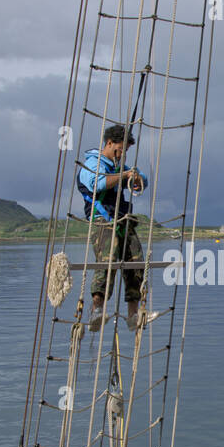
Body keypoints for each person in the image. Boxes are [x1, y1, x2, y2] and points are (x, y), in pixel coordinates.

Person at [77, 124, 156, 332]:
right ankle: (96, 311)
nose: (122, 154)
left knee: (135, 262)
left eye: (126, 151)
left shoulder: (118, 166)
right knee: (107, 262)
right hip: (103, 220)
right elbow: (97, 184)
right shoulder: (91, 164)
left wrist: (137, 178)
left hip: (123, 219)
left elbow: (142, 182)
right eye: (121, 149)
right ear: (109, 143)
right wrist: (123, 175)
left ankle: (133, 314)